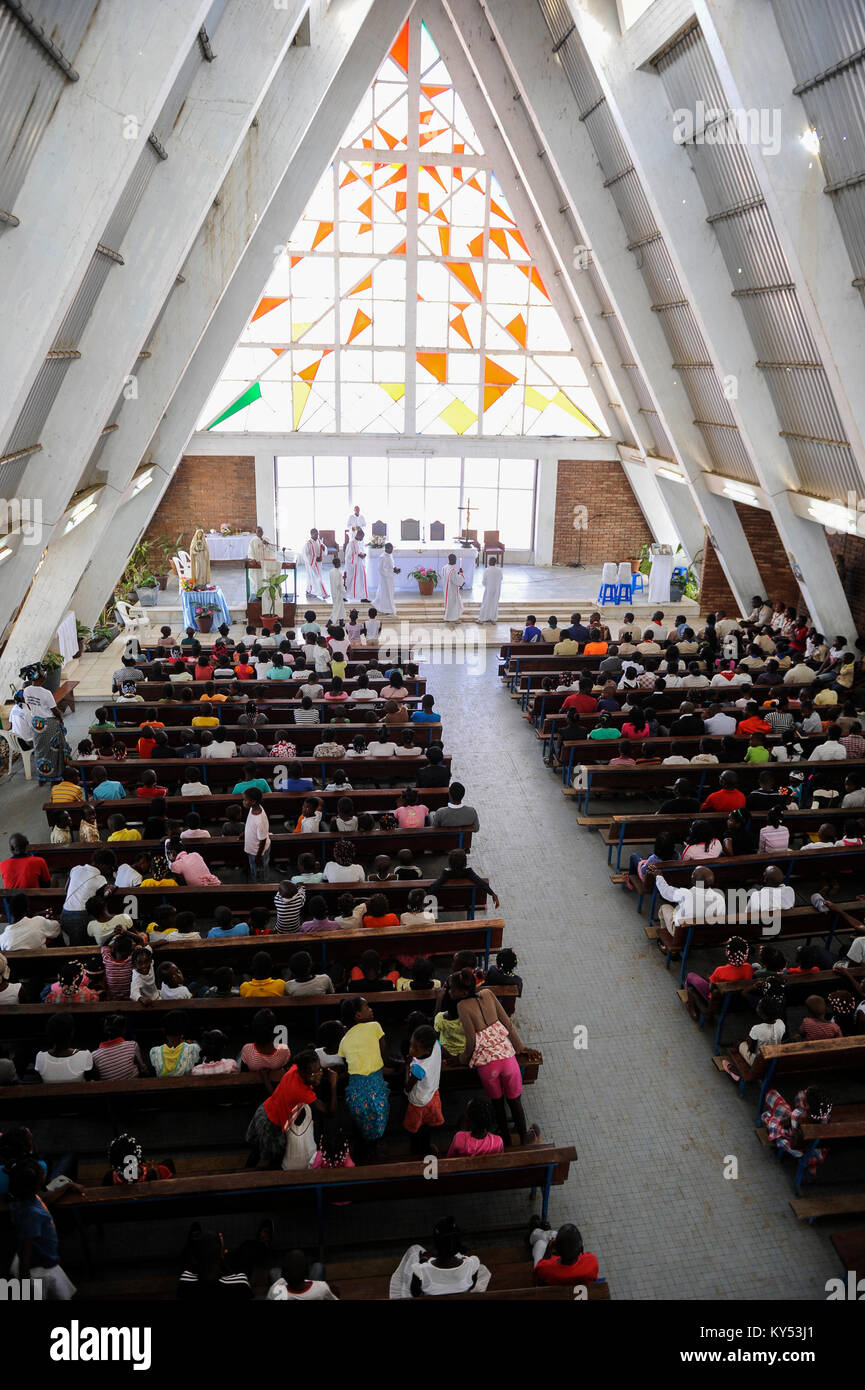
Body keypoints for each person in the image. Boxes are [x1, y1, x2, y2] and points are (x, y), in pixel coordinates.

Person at [449, 969, 537, 1146]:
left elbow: (471, 1040)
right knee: (515, 1102)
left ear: (463, 992)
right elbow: (507, 1023)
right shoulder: (488, 993)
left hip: (487, 1067)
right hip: (507, 1059)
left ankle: (504, 1139)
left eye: (452, 989)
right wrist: (520, 1047)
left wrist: (461, 1059)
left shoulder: (462, 1007)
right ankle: (524, 1136)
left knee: (497, 1104)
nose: (450, 991)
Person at [6, 1158, 83, 1299]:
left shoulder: (27, 1200)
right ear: (36, 1184)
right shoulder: (30, 1215)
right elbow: (25, 1250)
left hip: (42, 1262)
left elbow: (47, 1198)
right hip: (39, 1270)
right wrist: (25, 1284)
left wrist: (66, 1186)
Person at [245, 1050, 336, 1168]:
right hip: (272, 1124)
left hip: (265, 1110)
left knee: (258, 1150)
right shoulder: (302, 1091)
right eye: (312, 1074)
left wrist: (266, 1080)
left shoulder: (295, 1068)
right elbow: (330, 1112)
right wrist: (334, 1083)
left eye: (319, 1070)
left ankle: (247, 1171)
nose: (318, 1075)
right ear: (302, 1073)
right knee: (266, 1161)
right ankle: (253, 1182)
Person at [389, 1216, 489, 1299]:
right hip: (461, 1285)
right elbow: (471, 1286)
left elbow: (416, 1294)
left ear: (436, 1243)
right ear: (458, 1241)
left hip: (428, 1277)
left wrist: (423, 1261)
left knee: (414, 1250)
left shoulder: (421, 1270)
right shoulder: (472, 1264)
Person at [338, 996, 391, 1152]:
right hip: (375, 1088)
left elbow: (347, 1064)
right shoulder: (375, 1026)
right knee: (377, 1120)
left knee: (361, 1123)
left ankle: (363, 1149)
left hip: (355, 1091)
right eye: (367, 1007)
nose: (371, 1009)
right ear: (358, 1016)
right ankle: (377, 1146)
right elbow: (385, 1058)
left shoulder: (344, 1040)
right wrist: (400, 1065)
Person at [18, 661, 70, 785]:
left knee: (40, 750)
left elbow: (30, 707)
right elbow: (55, 711)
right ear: (41, 677)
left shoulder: (26, 690)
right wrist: (61, 719)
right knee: (54, 751)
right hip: (49, 724)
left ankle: (42, 777)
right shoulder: (46, 693)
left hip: (36, 723)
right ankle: (55, 777)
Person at [529, 1220, 599, 1287]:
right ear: (581, 1249)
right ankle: (543, 1231)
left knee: (540, 1243)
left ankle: (534, 1233)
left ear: (556, 1252)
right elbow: (594, 1279)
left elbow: (538, 1279)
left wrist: (548, 1250)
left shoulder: (545, 1268)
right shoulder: (592, 1260)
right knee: (562, 1237)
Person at [267, 1249, 338, 1301]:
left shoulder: (274, 1291)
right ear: (307, 1273)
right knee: (318, 1266)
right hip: (311, 1289)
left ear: (283, 1275)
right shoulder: (322, 1288)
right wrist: (334, 1294)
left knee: (274, 1271)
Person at [247, 525, 281, 615]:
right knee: (258, 580)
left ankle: (267, 594)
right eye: (258, 531)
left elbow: (273, 550)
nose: (260, 533)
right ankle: (259, 595)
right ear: (256, 532)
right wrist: (252, 559)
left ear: (263, 532)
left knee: (266, 580)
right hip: (258, 565)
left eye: (261, 531)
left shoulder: (267, 539)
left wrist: (268, 545)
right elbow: (250, 552)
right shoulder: (253, 541)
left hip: (266, 565)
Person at [243, 787, 271, 883]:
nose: (244, 801)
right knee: (254, 869)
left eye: (245, 800)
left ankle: (261, 887)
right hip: (252, 849)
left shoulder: (260, 820)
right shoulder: (253, 808)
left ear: (253, 801)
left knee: (260, 871)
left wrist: (258, 856)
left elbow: (262, 840)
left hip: (258, 852)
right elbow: (250, 824)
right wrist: (245, 833)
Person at [302, 528, 328, 600]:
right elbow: (305, 554)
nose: (317, 536)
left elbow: (324, 551)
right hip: (312, 564)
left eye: (318, 534)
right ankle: (324, 594)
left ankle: (309, 591)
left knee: (315, 578)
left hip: (319, 564)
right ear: (311, 534)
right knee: (316, 578)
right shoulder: (308, 543)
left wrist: (323, 548)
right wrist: (312, 560)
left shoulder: (319, 541)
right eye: (315, 534)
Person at [344, 528, 369, 602]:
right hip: (353, 566)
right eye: (362, 537)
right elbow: (348, 556)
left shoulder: (359, 543)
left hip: (359, 565)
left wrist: (362, 555)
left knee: (362, 581)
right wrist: (357, 555)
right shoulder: (351, 543)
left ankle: (363, 597)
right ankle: (345, 596)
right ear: (358, 535)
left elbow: (359, 552)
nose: (362, 538)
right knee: (350, 581)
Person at [375, 542, 399, 615]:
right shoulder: (382, 557)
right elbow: (381, 569)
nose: (392, 550)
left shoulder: (389, 555)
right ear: (386, 548)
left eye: (392, 549)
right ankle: (385, 609)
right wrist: (391, 572)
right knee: (385, 594)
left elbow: (392, 565)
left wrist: (395, 569)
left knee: (390, 593)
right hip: (385, 579)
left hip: (390, 578)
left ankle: (389, 608)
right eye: (390, 549)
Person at [477, 555, 503, 624]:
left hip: (489, 590)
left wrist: (487, 585)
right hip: (497, 590)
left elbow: (484, 582)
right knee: (494, 604)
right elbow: (501, 579)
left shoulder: (487, 570)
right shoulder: (499, 570)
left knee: (486, 603)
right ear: (495, 562)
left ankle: (482, 618)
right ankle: (493, 619)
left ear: (489, 562)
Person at [441, 553, 465, 622]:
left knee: (449, 604)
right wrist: (461, 574)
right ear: (452, 560)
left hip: (446, 588)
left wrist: (457, 575)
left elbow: (447, 577)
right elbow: (458, 582)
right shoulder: (452, 570)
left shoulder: (444, 567)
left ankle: (448, 617)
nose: (456, 560)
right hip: (452, 590)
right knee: (453, 604)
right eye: (455, 559)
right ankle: (453, 618)